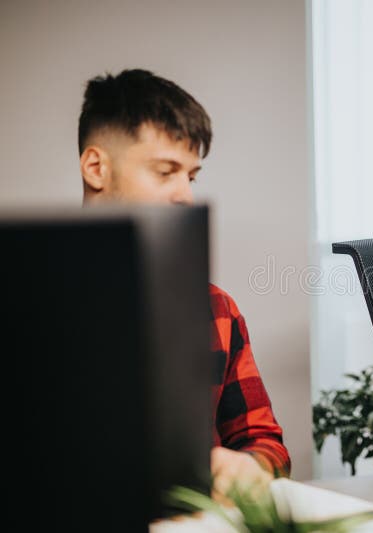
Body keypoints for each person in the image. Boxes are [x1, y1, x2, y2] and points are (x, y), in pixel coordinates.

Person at [78, 69, 290, 497]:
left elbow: (266, 444)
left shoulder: (216, 309)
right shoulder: (26, 302)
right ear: (97, 168)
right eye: (164, 172)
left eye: (190, 177)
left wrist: (249, 467)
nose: (186, 196)